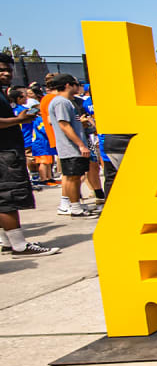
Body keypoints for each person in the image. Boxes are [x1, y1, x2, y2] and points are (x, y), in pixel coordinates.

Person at [0, 56, 60, 256]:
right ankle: (19, 245)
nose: (6, 73)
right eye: (1, 69)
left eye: (9, 69)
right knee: (7, 198)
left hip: (8, 150)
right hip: (4, 153)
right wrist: (19, 119)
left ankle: (8, 241)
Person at [48, 74, 96, 218]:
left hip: (71, 146)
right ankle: (74, 207)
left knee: (75, 176)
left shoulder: (65, 101)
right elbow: (64, 124)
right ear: (68, 85)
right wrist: (81, 145)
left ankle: (75, 205)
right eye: (76, 84)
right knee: (72, 177)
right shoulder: (61, 102)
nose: (78, 87)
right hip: (70, 147)